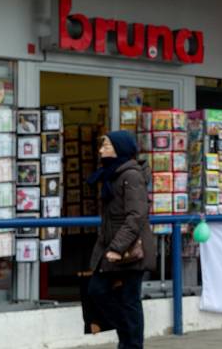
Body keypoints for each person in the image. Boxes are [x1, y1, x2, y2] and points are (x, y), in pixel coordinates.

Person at [85, 130, 155, 349]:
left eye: (106, 146)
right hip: (113, 247)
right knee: (98, 290)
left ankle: (131, 344)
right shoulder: (112, 175)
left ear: (120, 149)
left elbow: (137, 215)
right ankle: (127, 339)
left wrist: (117, 247)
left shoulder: (131, 176)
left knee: (129, 300)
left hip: (131, 250)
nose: (101, 151)